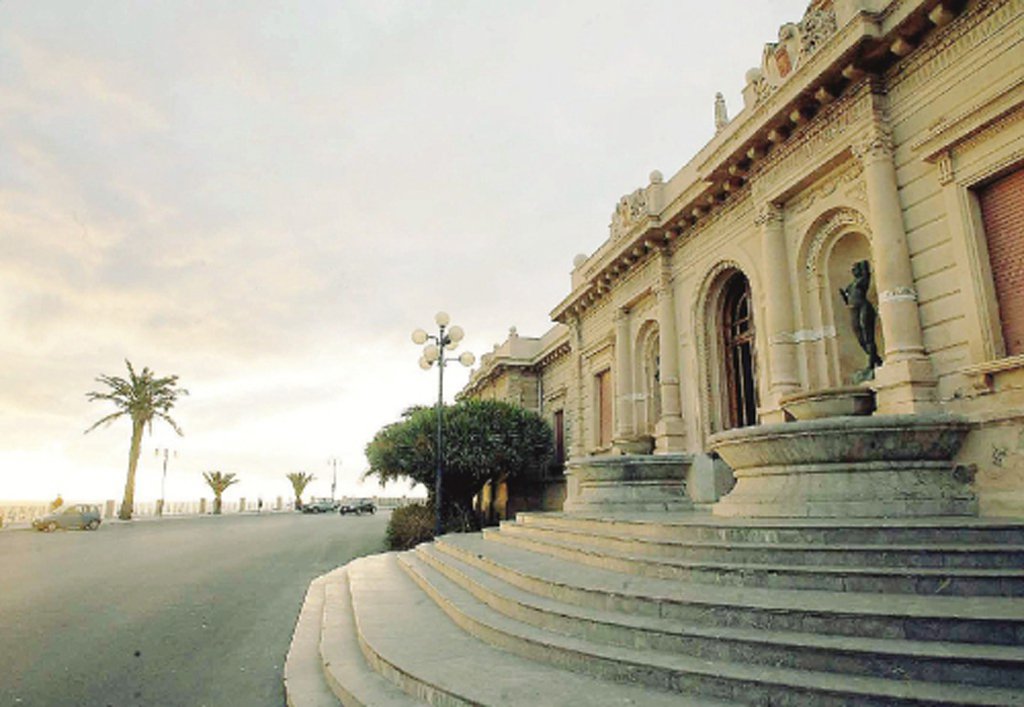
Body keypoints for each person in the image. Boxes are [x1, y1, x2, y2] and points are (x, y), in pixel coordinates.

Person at [839, 259, 883, 381]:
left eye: (856, 269)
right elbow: (848, 301)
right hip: (853, 310)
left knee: (867, 335)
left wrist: (864, 267)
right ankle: (877, 359)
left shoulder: (862, 280)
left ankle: (871, 364)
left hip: (864, 307)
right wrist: (843, 295)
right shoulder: (851, 286)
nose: (854, 271)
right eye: (852, 270)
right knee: (859, 337)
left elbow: (867, 273)